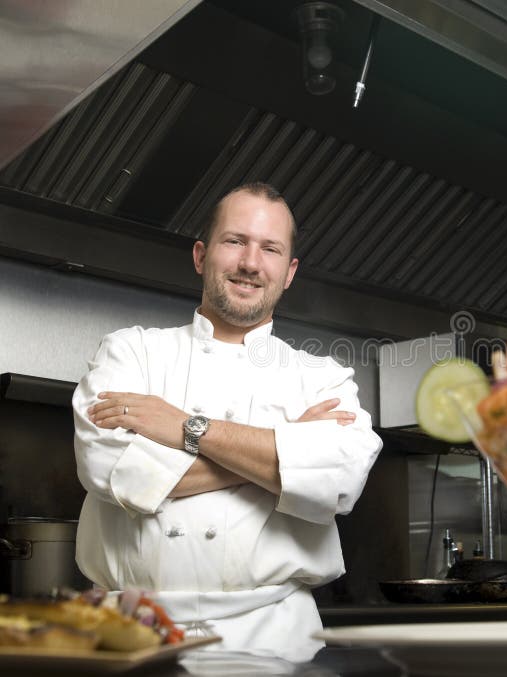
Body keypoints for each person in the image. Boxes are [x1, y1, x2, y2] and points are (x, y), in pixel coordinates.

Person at [72, 182, 382, 662]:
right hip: (130, 638)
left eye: (270, 249)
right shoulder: (129, 351)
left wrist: (186, 428)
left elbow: (339, 483)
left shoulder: (323, 377)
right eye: (234, 241)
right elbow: (111, 471)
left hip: (274, 640)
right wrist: (289, 452)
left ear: (289, 272)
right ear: (200, 255)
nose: (250, 263)